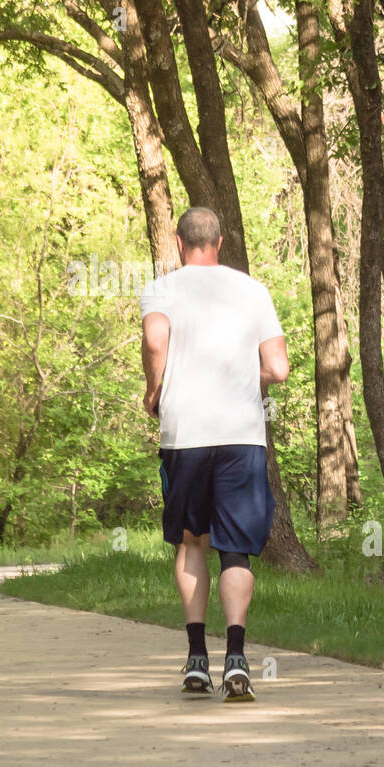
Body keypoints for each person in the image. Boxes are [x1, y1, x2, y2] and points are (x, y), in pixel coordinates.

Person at [139, 207, 289, 701]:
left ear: (179, 244)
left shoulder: (162, 289)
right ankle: (239, 657)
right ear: (220, 243)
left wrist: (153, 386)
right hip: (241, 435)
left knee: (191, 541)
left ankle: (196, 660)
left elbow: (155, 339)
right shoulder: (252, 290)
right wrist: (248, 377)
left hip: (185, 433)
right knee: (235, 548)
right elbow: (279, 368)